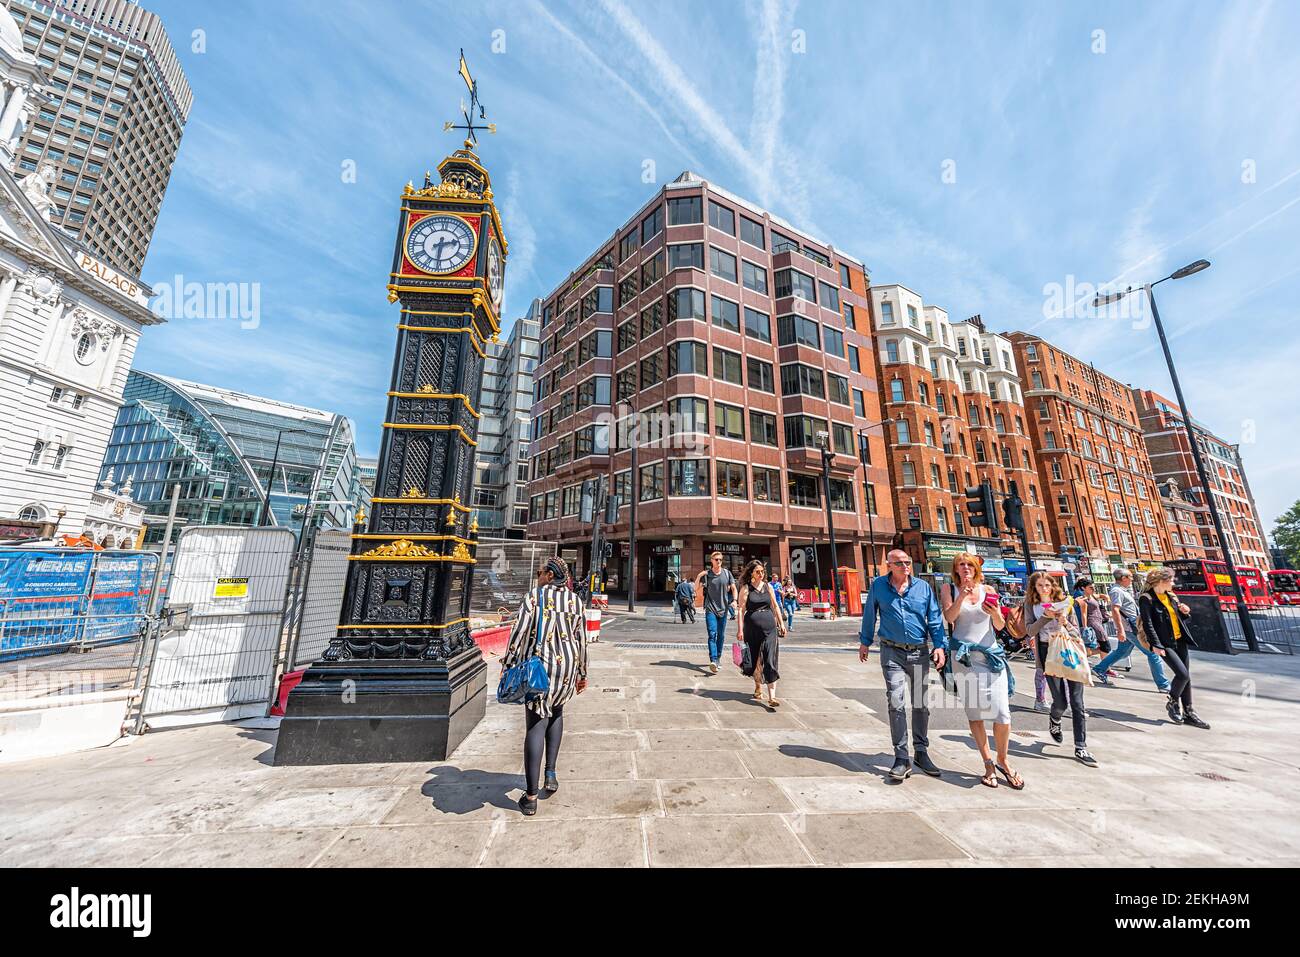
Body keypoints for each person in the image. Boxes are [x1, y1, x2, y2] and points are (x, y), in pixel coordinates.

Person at [502, 556, 589, 817]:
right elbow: (582, 640)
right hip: (567, 669)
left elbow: (518, 634)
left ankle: (530, 797)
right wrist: (582, 673)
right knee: (557, 712)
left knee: (536, 724)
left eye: (540, 571)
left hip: (540, 668)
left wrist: (508, 665)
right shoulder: (575, 601)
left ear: (550, 575)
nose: (538, 575)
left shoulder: (535, 597)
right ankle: (550, 774)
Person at [859, 549, 948, 781]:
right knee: (896, 702)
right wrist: (865, 641)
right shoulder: (879, 586)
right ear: (889, 565)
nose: (905, 566)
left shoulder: (923, 588)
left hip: (919, 652)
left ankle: (921, 752)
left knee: (920, 704)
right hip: (891, 652)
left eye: (907, 562)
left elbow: (934, 618)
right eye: (899, 563)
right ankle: (901, 757)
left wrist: (939, 646)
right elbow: (870, 614)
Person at [941, 553, 1023, 789]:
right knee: (975, 714)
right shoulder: (949, 589)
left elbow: (999, 625)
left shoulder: (988, 589)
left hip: (990, 656)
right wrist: (961, 597)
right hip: (964, 658)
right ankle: (988, 764)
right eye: (961, 564)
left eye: (970, 564)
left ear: (976, 568)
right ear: (956, 569)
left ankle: (1003, 760)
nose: (965, 568)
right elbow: (949, 617)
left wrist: (995, 612)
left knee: (1002, 714)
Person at [1024, 571, 1098, 767]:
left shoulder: (1065, 601)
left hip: (1068, 649)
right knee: (1060, 701)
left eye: (1047, 585)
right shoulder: (1031, 604)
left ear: (1053, 586)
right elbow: (1029, 630)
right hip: (1047, 651)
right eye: (1040, 586)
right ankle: (1055, 718)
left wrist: (1065, 622)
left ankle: (1081, 746)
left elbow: (1076, 630)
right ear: (1034, 588)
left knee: (1077, 701)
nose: (1044, 589)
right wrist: (1045, 617)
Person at [1138, 567, 1210, 729]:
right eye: (1170, 580)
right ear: (1161, 581)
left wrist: (1185, 612)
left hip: (1180, 640)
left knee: (1186, 677)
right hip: (1164, 643)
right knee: (1182, 675)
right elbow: (1148, 624)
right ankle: (1173, 701)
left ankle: (1189, 712)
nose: (1173, 582)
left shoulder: (1171, 596)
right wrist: (1155, 644)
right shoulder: (1146, 598)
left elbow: (1178, 618)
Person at [1091, 569, 1170, 692]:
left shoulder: (1121, 590)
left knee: (1122, 652)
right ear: (1123, 578)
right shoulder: (1117, 591)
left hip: (1130, 627)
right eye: (1130, 577)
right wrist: (1120, 630)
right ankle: (1163, 685)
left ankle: (1099, 669)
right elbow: (1115, 610)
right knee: (1153, 653)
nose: (1132, 579)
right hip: (1130, 628)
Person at [738, 559, 784, 707]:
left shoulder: (768, 586)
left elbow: (775, 606)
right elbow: (741, 610)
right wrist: (740, 629)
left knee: (770, 659)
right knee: (756, 660)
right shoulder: (746, 588)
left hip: (770, 628)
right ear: (751, 573)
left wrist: (781, 623)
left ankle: (772, 697)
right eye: (757, 572)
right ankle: (758, 686)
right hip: (751, 629)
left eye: (762, 572)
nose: (761, 574)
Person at [694, 552, 737, 675]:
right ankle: (713, 660)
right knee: (712, 634)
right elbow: (696, 588)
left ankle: (718, 658)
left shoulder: (727, 573)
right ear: (711, 560)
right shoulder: (707, 575)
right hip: (710, 609)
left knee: (721, 635)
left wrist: (734, 600)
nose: (718, 561)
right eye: (716, 559)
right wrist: (699, 576)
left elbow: (734, 588)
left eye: (720, 559)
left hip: (723, 609)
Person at [1072, 578, 1111, 657]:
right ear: (1083, 588)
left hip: (1098, 622)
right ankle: (1083, 656)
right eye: (1091, 588)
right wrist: (1085, 628)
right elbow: (1083, 614)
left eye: (1094, 587)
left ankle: (1083, 655)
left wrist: (1105, 596)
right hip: (1093, 624)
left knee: (1101, 647)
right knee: (1105, 647)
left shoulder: (1092, 595)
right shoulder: (1083, 598)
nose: (1093, 589)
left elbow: (1099, 595)